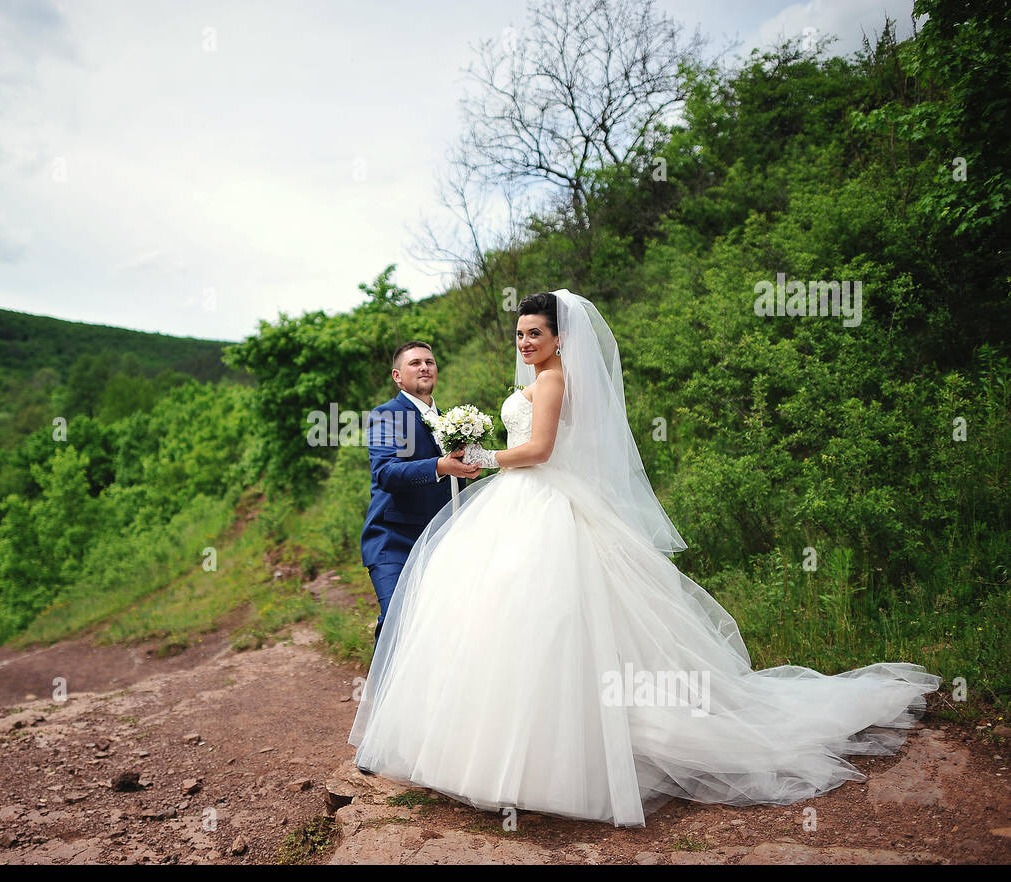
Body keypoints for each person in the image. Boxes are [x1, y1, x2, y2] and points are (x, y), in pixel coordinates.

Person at [349, 290, 941, 827]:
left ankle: (548, 756)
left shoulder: (554, 381)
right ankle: (478, 745)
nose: (526, 343)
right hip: (513, 503)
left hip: (539, 499)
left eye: (536, 333)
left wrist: (485, 459)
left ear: (560, 338)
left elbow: (541, 449)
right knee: (497, 617)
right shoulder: (457, 398)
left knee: (545, 618)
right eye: (521, 334)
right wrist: (477, 458)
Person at [360, 341, 481, 646]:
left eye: (430, 361)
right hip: (394, 539)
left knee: (441, 625)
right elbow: (385, 474)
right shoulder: (386, 415)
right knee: (397, 621)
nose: (425, 367)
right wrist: (440, 466)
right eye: (415, 363)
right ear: (397, 376)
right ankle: (378, 693)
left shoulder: (452, 421)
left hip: (443, 539)